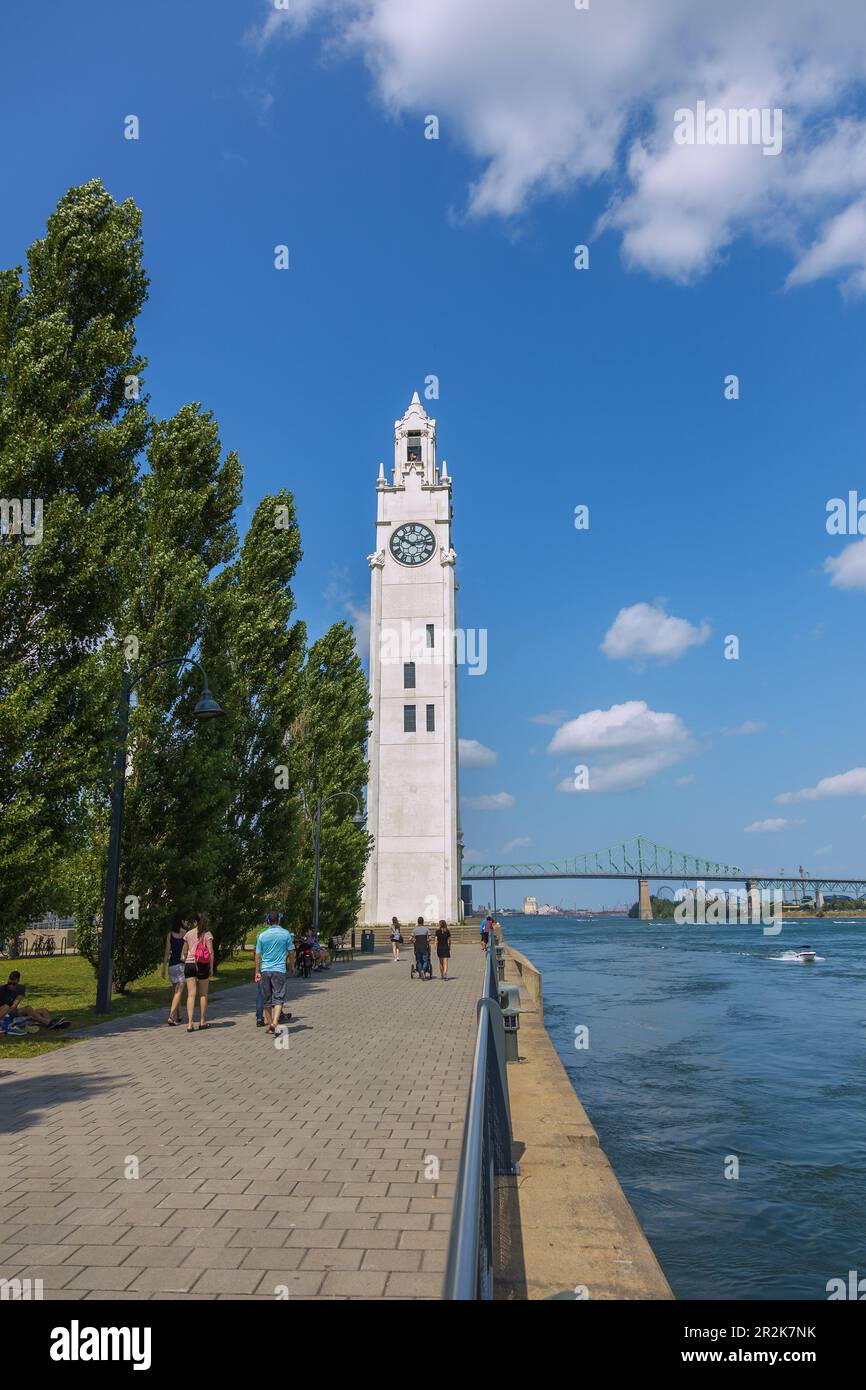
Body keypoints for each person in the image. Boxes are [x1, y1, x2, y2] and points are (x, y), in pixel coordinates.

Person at [254, 914, 294, 1035]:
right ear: (279, 919)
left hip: (265, 970)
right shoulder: (285, 934)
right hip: (279, 970)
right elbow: (291, 952)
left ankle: (271, 1024)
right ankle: (275, 1023)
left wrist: (257, 971)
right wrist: (292, 966)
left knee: (266, 999)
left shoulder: (262, 935)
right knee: (278, 997)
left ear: (268, 921)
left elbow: (257, 954)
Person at [0, 971, 69, 1030]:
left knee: (43, 1010)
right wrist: (6, 1014)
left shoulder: (21, 988)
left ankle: (52, 1025)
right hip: (5, 1013)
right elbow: (9, 1007)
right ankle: (49, 1023)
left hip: (14, 1011)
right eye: (9, 983)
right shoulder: (2, 989)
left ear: (18, 982)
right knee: (28, 1008)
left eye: (14, 984)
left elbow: (16, 1003)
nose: (11, 986)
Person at [181, 912, 214, 1032]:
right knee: (203, 994)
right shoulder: (207, 934)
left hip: (190, 965)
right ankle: (202, 1021)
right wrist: (211, 967)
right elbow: (210, 952)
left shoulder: (188, 934)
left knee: (191, 994)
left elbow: (184, 951)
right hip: (203, 965)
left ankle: (190, 1024)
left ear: (195, 922)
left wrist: (186, 959)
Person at [161, 912, 187, 1025]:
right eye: (185, 920)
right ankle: (171, 1016)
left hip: (172, 967)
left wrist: (163, 968)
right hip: (181, 966)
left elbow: (167, 952)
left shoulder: (170, 935)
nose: (187, 923)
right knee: (179, 992)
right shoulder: (185, 934)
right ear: (181, 921)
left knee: (176, 993)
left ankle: (179, 1015)